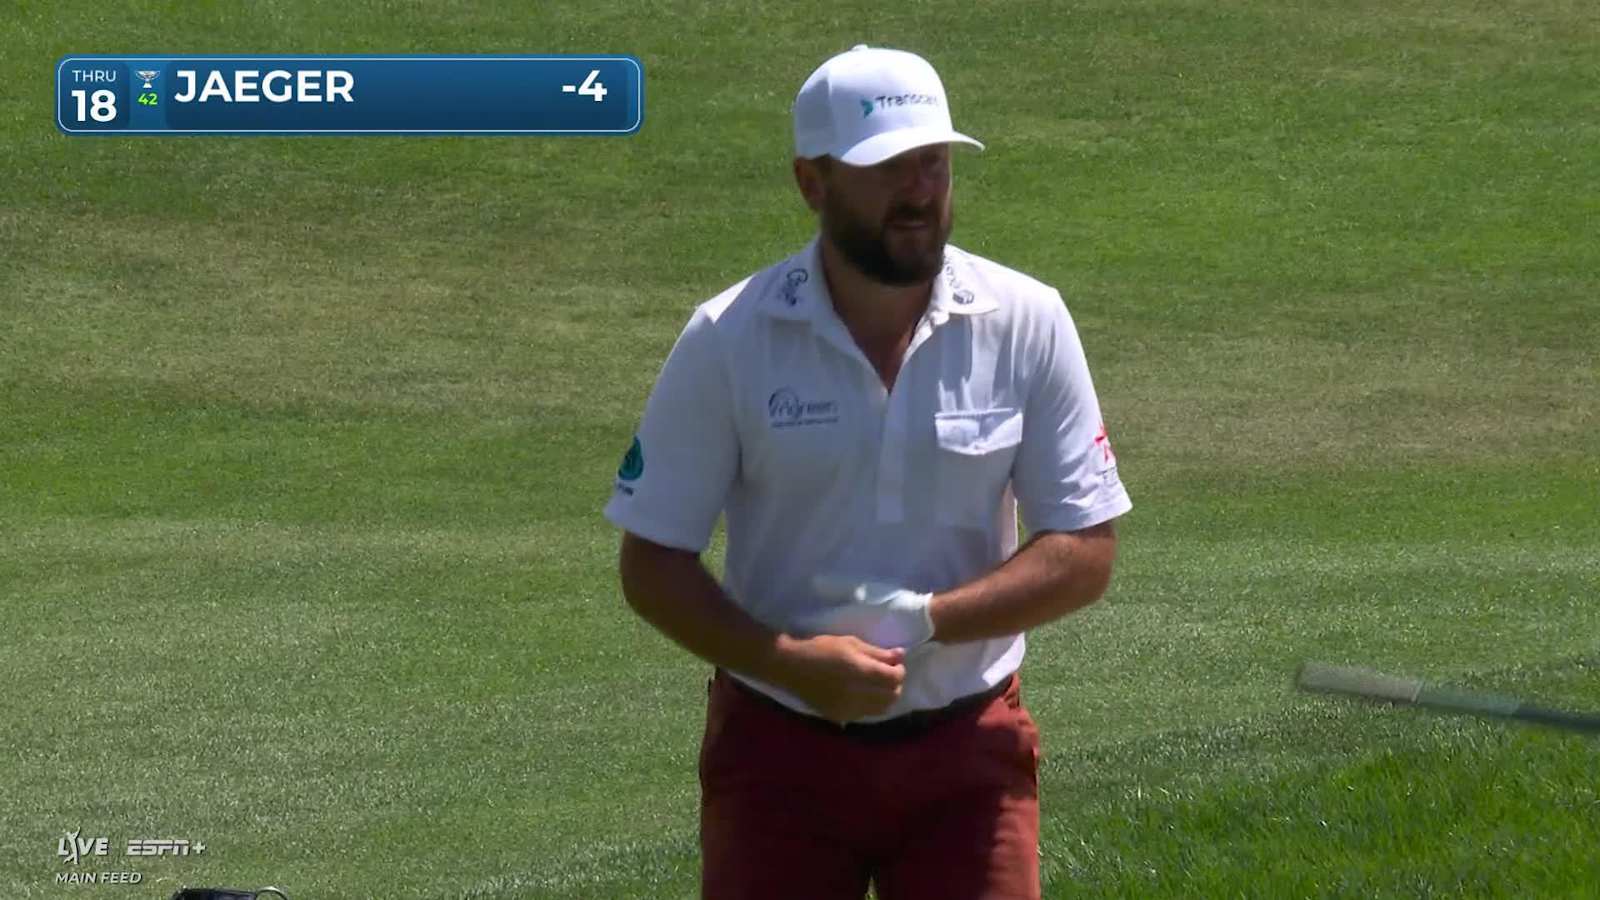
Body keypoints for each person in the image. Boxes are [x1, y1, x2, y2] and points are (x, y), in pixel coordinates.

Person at [603, 43, 1131, 900]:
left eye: (933, 162)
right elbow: (651, 562)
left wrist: (928, 620)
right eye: (887, 167)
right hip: (779, 755)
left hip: (968, 755)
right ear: (812, 182)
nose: (918, 189)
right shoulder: (729, 337)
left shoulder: (1028, 320)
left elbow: (1084, 549)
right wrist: (789, 661)